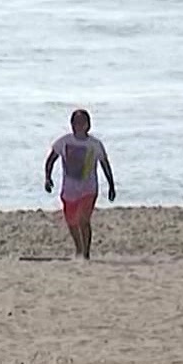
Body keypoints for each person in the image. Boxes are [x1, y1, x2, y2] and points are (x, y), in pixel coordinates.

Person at [43, 109, 114, 259]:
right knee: (71, 222)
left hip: (88, 189)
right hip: (69, 190)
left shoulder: (94, 144)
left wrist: (111, 186)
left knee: (83, 220)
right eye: (76, 123)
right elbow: (51, 159)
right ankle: (79, 249)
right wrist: (47, 178)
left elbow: (105, 164)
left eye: (82, 123)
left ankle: (86, 254)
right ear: (72, 124)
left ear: (88, 125)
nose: (79, 126)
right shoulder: (64, 142)